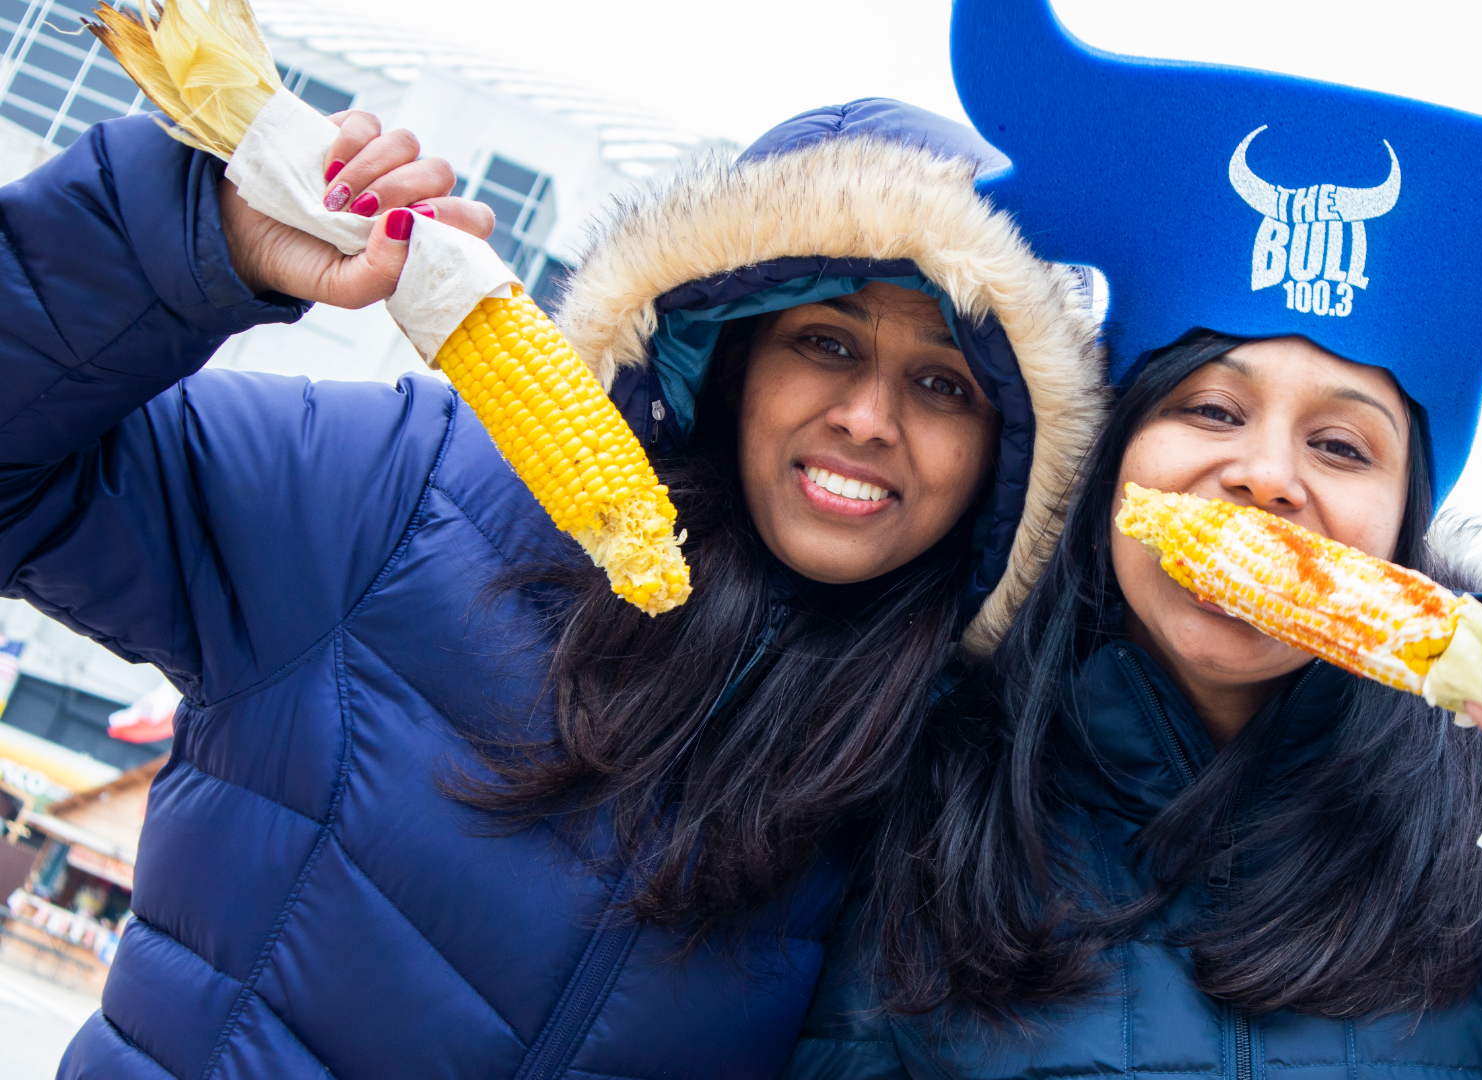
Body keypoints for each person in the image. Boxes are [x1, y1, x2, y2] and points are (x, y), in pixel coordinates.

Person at [779, 2, 1482, 1077]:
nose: (1265, 475)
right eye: (1209, 410)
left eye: (1343, 448)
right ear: (1110, 461)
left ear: (1406, 528)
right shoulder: (900, 768)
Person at [0, 95, 1102, 1077]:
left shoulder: (958, 773)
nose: (868, 417)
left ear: (1003, 457)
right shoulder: (410, 495)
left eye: (940, 382)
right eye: (824, 341)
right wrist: (191, 240)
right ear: (729, 355)